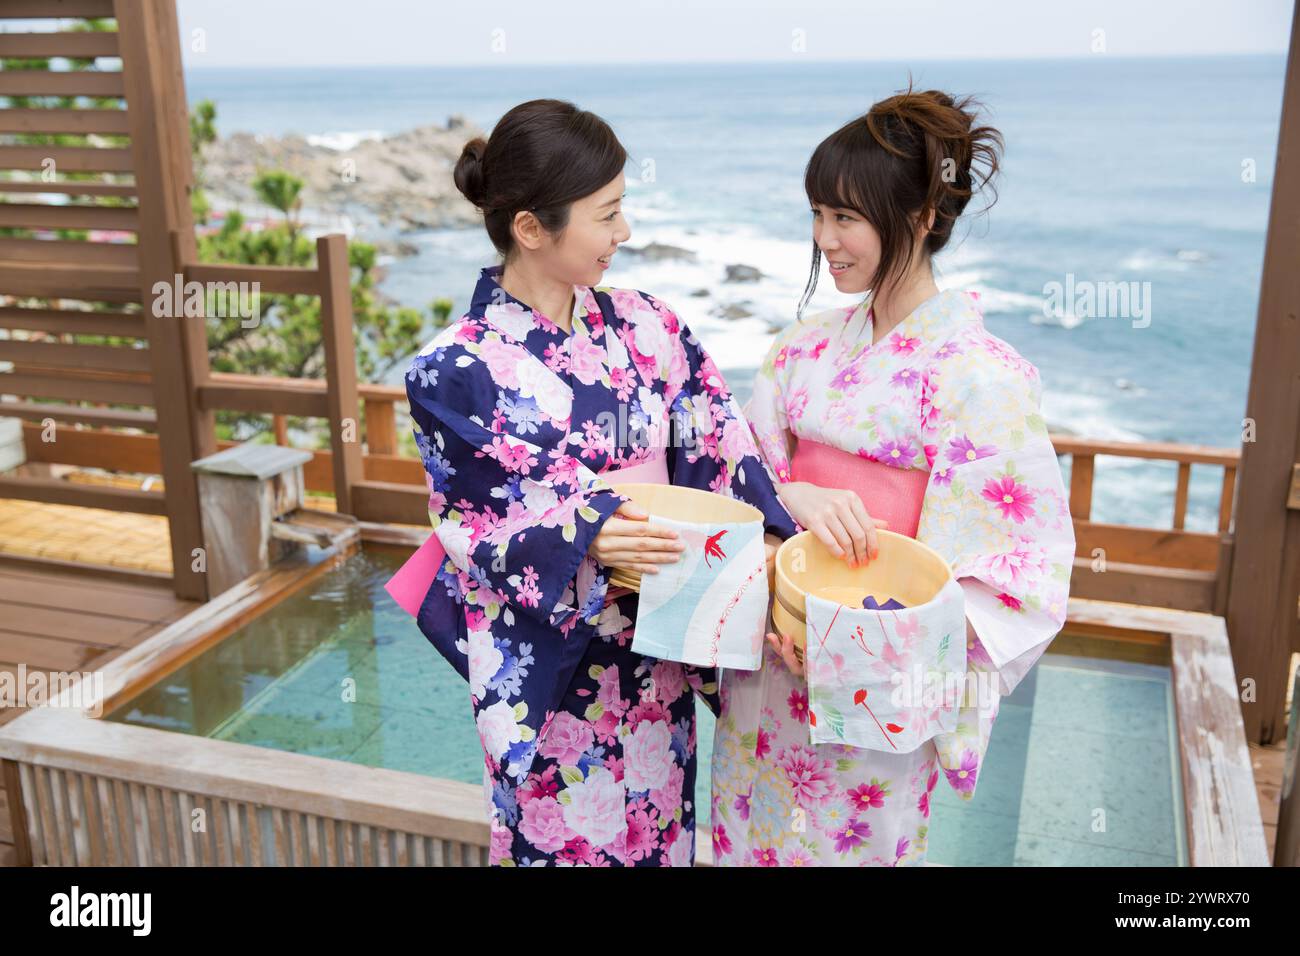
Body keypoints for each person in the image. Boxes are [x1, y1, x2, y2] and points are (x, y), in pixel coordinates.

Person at [405, 99, 797, 866]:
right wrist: (586, 529)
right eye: (607, 214)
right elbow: (476, 517)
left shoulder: (650, 324)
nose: (625, 234)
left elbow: (717, 436)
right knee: (565, 840)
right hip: (559, 673)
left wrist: (777, 536)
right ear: (529, 228)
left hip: (657, 650)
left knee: (662, 835)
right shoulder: (453, 370)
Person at [711, 88, 1076, 866]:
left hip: (873, 681)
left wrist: (871, 635)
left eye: (844, 218)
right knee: (749, 839)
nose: (824, 240)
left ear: (917, 217)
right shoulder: (802, 348)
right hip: (773, 667)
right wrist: (787, 502)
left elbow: (1017, 572)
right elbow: (738, 476)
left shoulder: (985, 380)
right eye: (817, 215)